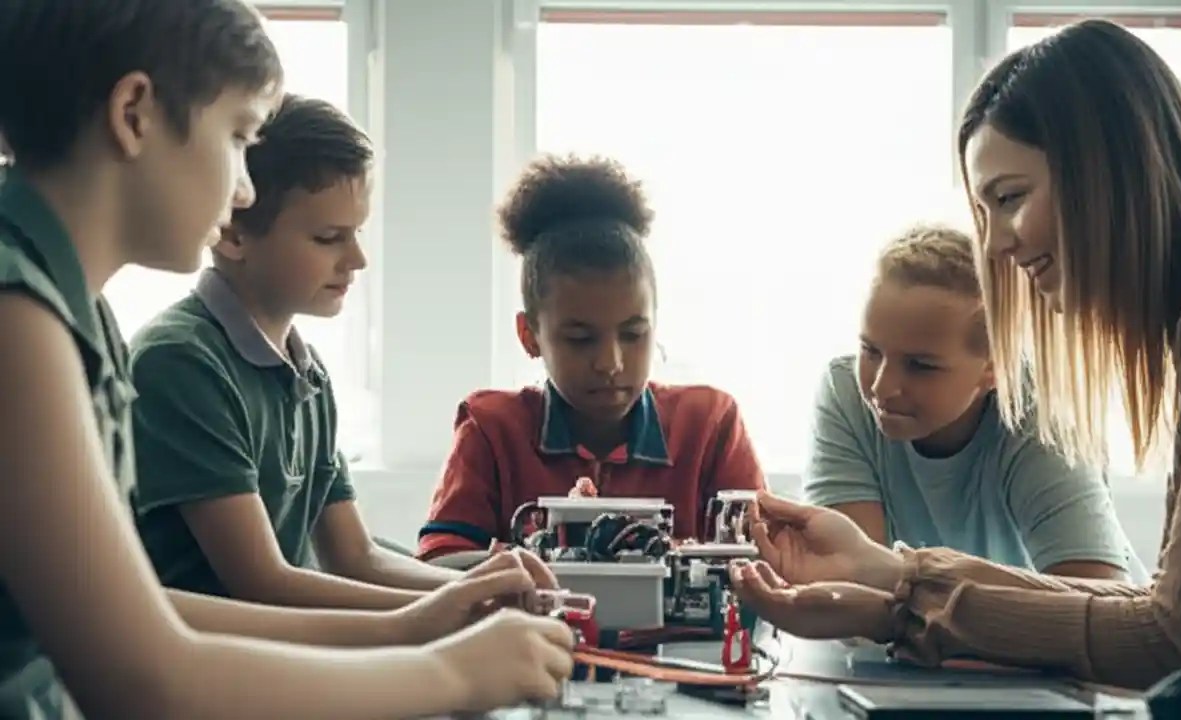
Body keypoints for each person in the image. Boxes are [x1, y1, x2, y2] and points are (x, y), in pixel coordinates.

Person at [0, 2, 572, 717]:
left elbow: (143, 614)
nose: (243, 189)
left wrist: (415, 626)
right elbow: (143, 679)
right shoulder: (18, 316)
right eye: (238, 136)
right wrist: (449, 672)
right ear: (135, 113)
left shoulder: (77, 316)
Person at [730, 18, 1181, 691]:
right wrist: (897, 575)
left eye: (1011, 198)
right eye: (983, 212)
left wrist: (902, 608)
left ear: (1106, 170)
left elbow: (1180, 642)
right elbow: (1167, 612)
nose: (994, 246)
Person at [128, 93, 556, 616]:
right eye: (329, 237)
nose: (357, 259)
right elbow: (261, 582)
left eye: (356, 233)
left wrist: (486, 582)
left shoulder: (308, 375)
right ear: (233, 233)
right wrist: (458, 604)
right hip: (207, 653)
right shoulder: (181, 363)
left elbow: (356, 556)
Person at [419, 155, 767, 560]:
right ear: (529, 336)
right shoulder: (492, 430)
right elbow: (440, 562)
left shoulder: (709, 425)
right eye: (580, 339)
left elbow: (764, 558)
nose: (610, 363)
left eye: (633, 334)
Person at [805, 224, 1133, 578]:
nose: (882, 388)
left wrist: (910, 583)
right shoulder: (846, 393)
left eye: (920, 366)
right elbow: (853, 579)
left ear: (995, 367)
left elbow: (1097, 594)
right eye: (871, 351)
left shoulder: (1043, 419)